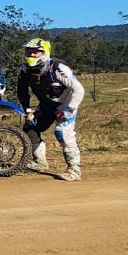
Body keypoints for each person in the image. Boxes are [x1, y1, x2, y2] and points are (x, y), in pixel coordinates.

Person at [17, 38, 85, 181]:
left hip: (65, 104)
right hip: (46, 104)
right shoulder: (25, 70)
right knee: (30, 127)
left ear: (44, 53)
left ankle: (74, 169)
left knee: (63, 133)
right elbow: (22, 91)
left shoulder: (57, 68)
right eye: (28, 52)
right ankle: (40, 162)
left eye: (35, 52)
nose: (31, 55)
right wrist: (27, 110)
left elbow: (78, 89)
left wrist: (70, 109)